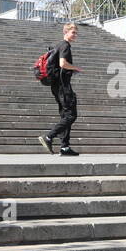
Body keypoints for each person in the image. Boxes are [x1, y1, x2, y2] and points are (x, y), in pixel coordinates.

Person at [38, 22, 81, 156]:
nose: (75, 34)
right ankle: (49, 136)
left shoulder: (58, 45)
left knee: (64, 115)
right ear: (66, 32)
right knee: (71, 115)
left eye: (76, 32)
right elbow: (63, 63)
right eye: (73, 32)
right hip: (63, 86)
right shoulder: (65, 45)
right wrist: (75, 68)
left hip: (56, 86)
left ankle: (65, 147)